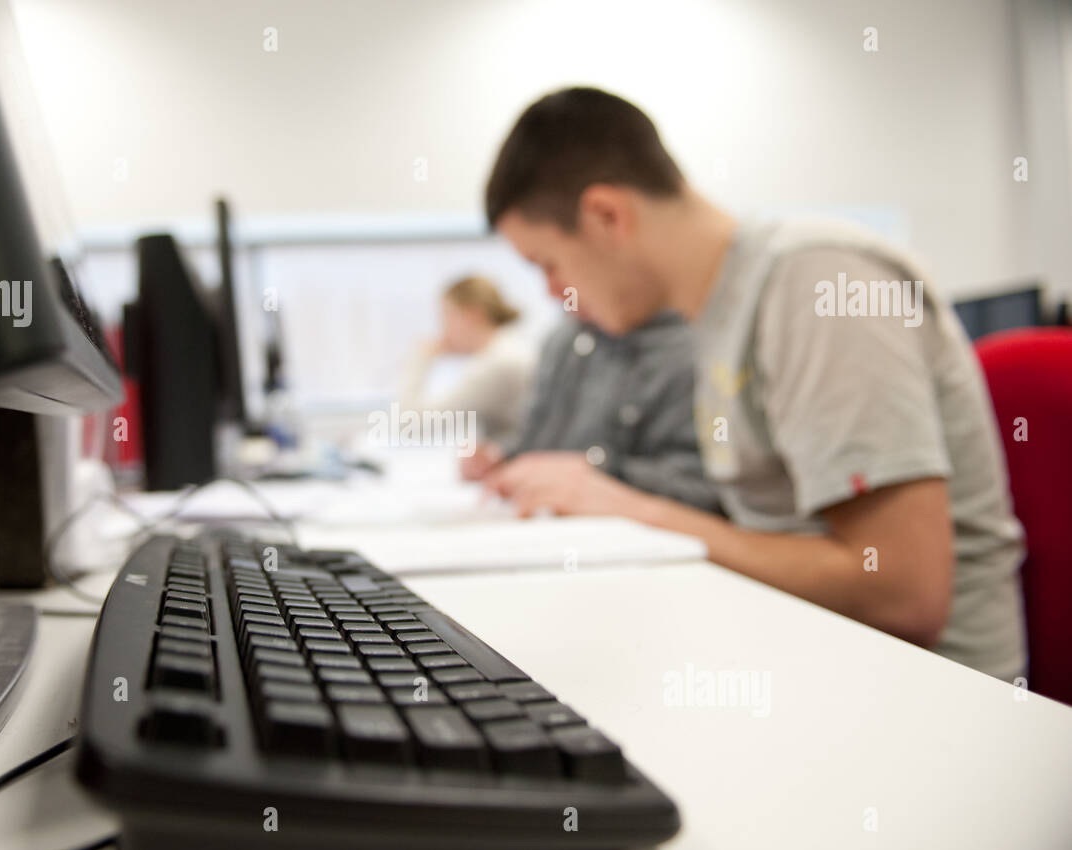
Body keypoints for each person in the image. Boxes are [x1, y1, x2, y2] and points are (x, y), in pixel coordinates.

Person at [481, 87, 1026, 682]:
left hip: (922, 693)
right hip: (804, 654)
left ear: (607, 216)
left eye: (546, 264)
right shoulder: (717, 315)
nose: (550, 293)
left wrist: (630, 509)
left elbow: (900, 594)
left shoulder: (816, 282)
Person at [463, 311, 722, 513]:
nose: (554, 290)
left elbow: (706, 487)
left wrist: (600, 470)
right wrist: (503, 455)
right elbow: (537, 437)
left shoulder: (688, 347)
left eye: (552, 265)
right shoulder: (564, 340)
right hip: (549, 521)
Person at [397, 276, 534, 447]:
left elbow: (410, 425)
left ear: (472, 315)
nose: (443, 331)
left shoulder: (497, 364)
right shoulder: (508, 347)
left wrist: (420, 359)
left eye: (446, 318)